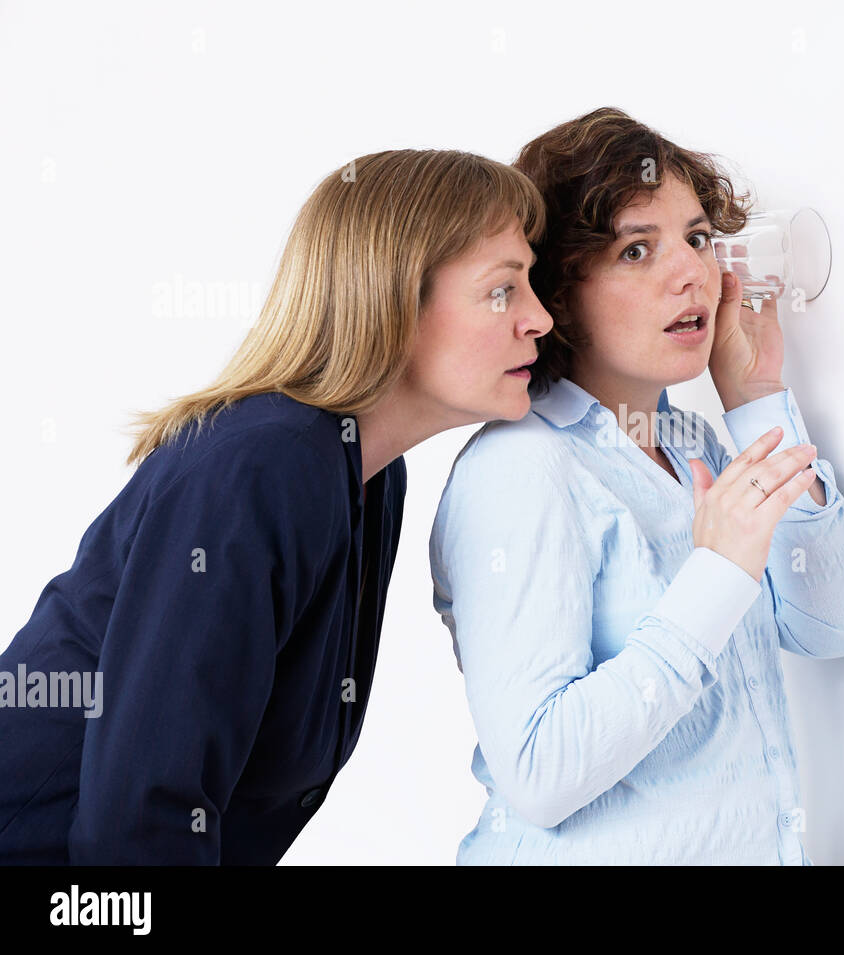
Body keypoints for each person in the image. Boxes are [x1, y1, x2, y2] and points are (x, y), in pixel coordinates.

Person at [0, 148, 552, 864]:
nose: (539, 318)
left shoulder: (371, 478)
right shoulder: (263, 467)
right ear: (392, 298)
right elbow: (138, 824)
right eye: (503, 291)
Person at [429, 108, 844, 864]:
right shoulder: (521, 471)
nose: (691, 272)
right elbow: (538, 773)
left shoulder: (693, 442)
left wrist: (758, 397)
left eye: (698, 238)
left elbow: (833, 624)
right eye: (638, 249)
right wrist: (717, 576)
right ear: (558, 292)